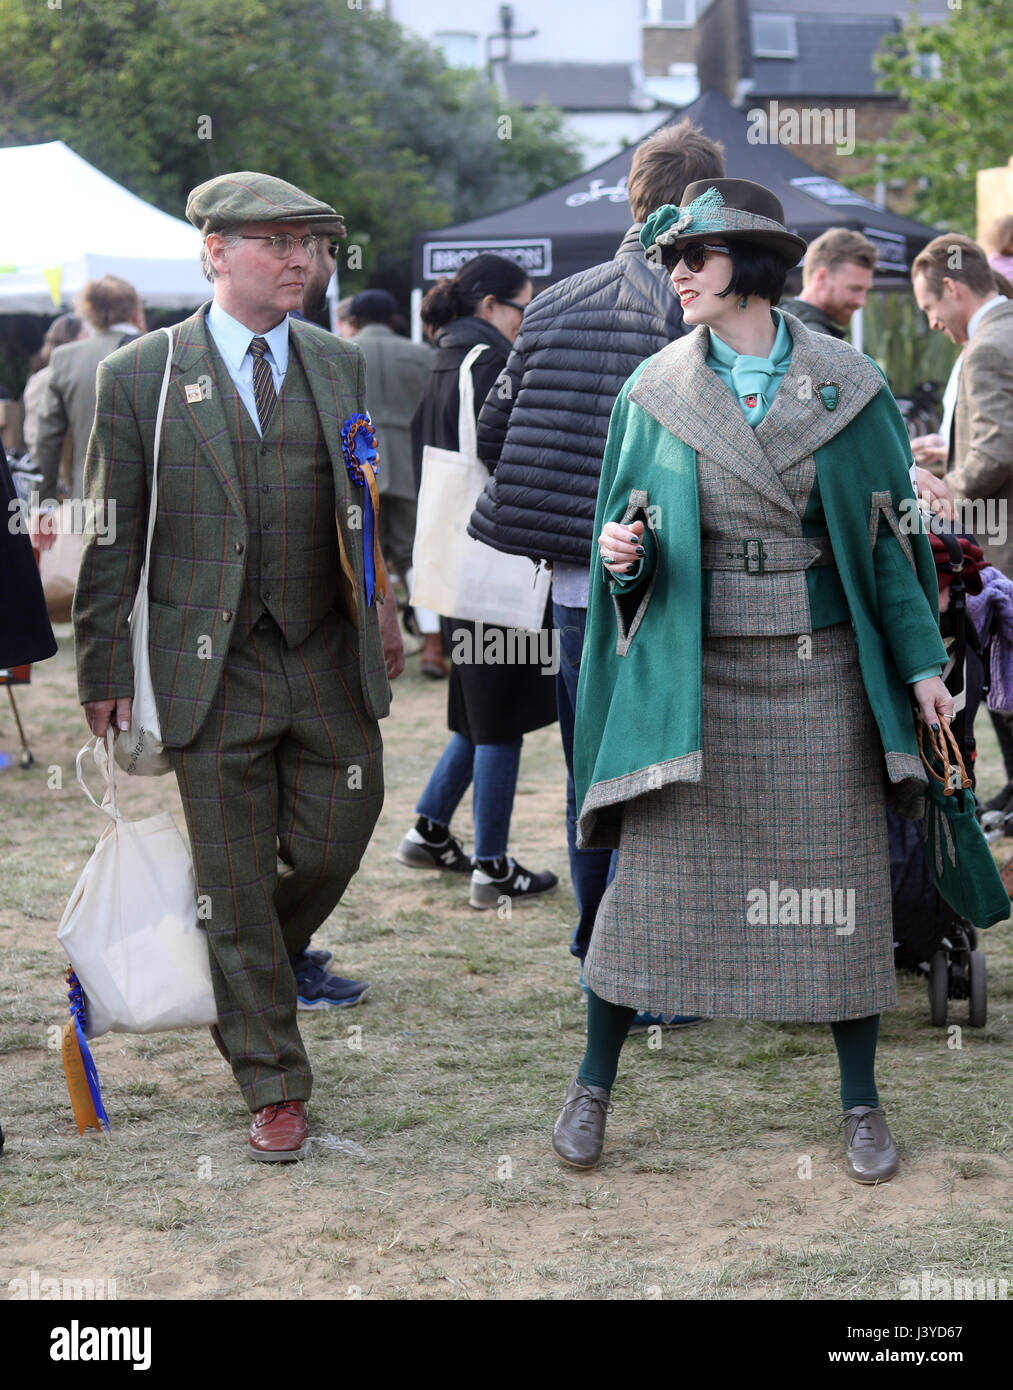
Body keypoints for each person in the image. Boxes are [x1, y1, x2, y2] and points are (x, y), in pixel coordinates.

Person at [551, 179, 951, 1183]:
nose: (677, 274)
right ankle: (592, 1084)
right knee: (647, 893)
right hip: (692, 682)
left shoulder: (849, 382)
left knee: (838, 893)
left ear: (754, 264)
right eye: (671, 258)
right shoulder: (652, 389)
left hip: (821, 680)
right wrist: (621, 555)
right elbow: (630, 532)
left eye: (697, 255)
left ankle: (860, 1102)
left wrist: (922, 667)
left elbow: (890, 544)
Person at [73, 171, 405, 1162]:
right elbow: (110, 533)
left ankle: (232, 942)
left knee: (332, 844)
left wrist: (382, 604)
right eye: (277, 242)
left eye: (310, 244)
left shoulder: (337, 362)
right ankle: (273, 1083)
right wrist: (101, 664)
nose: (301, 260)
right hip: (207, 668)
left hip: (324, 653)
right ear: (214, 252)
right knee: (233, 875)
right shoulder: (139, 373)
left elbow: (361, 502)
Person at [471, 118, 723, 1016]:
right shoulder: (703, 308)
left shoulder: (553, 301)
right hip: (680, 582)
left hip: (578, 584)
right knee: (669, 773)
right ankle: (643, 969)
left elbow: (495, 435)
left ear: (631, 194)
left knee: (594, 773)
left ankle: (596, 953)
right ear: (706, 202)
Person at [397, 254, 559, 907]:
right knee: (499, 719)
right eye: (524, 305)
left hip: (454, 560)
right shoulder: (487, 361)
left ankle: (430, 828)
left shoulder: (443, 357)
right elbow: (509, 456)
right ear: (491, 305)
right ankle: (491, 867)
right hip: (496, 556)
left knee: (479, 709)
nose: (527, 318)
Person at [912, 233, 1013, 806]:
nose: (932, 322)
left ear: (951, 288)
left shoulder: (986, 347)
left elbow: (997, 448)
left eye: (930, 307)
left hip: (1002, 544)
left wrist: (945, 495)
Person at [344, 289, 435, 672]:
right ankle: (433, 646)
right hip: (412, 465)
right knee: (414, 554)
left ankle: (369, 645)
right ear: (394, 318)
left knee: (363, 553)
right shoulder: (423, 354)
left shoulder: (339, 352)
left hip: (358, 467)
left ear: (355, 320)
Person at [33, 277, 145, 501]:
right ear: (134, 310)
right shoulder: (158, 350)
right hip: (150, 502)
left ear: (88, 313)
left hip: (87, 495)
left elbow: (47, 439)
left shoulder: (65, 358)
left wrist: (41, 503)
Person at [779, 227, 877, 338]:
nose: (861, 302)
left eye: (865, 290)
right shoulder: (814, 338)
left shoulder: (776, 322)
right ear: (821, 278)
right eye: (855, 289)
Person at [22, 313, 85, 463]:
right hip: (55, 463)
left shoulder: (42, 377)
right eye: (86, 335)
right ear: (74, 340)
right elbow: (35, 432)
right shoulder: (45, 379)